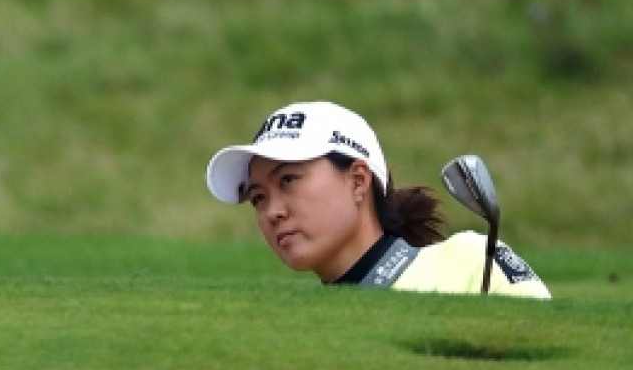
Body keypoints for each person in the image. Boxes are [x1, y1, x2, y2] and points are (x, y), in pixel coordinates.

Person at [205, 100, 551, 299]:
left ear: (358, 180)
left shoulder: (472, 262)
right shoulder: (302, 326)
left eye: (289, 180)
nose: (273, 212)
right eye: (258, 198)